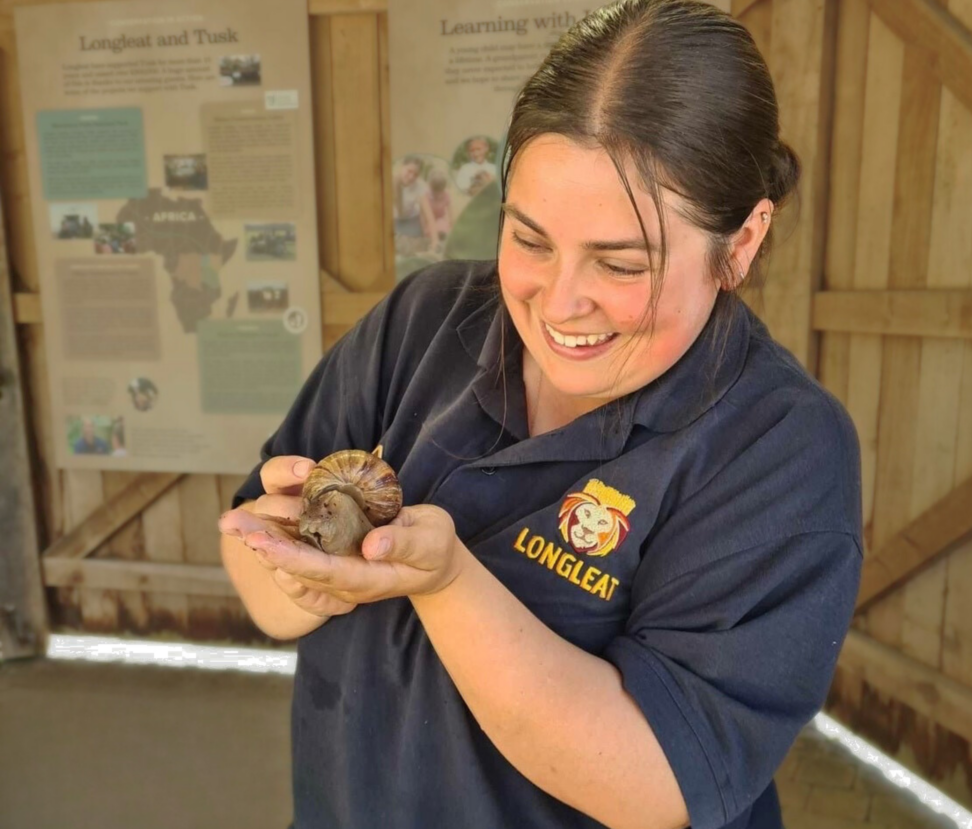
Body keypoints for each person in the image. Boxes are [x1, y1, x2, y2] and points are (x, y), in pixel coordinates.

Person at [218, 2, 862, 828]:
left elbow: (655, 781)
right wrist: (301, 569)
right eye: (528, 239)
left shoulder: (780, 448)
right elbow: (251, 560)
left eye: (621, 262)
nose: (558, 301)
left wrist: (445, 583)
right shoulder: (425, 319)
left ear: (739, 243)